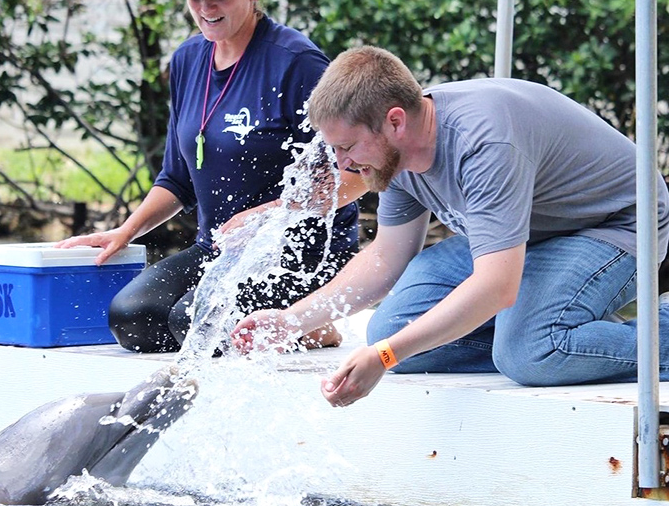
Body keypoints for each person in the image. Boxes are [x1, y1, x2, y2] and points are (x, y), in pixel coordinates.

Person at [232, 45, 669, 407]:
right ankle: (555, 320)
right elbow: (387, 259)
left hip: (618, 225)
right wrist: (289, 323)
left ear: (395, 120)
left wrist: (383, 358)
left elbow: (497, 287)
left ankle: (590, 330)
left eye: (347, 147)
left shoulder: (485, 143)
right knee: (390, 331)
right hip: (532, 234)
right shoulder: (392, 156)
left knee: (530, 354)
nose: (343, 164)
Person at [56, 0, 364, 353]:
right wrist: (126, 231)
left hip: (300, 252)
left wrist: (267, 217)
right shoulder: (187, 59)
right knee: (133, 319)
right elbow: (176, 178)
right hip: (219, 250)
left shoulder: (296, 64)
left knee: (196, 323)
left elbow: (357, 177)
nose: (206, 7)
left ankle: (313, 321)